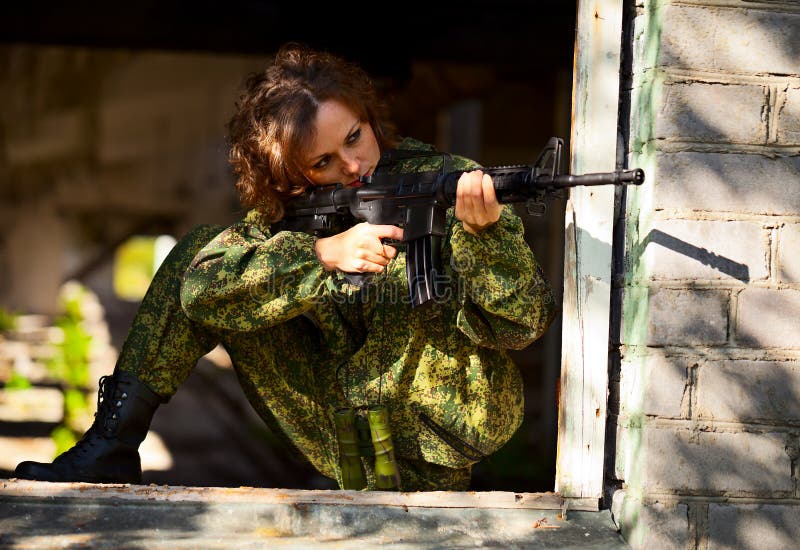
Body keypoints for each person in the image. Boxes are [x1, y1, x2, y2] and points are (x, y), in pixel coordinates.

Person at [14, 43, 556, 491]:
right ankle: (111, 446)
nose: (351, 165)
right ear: (293, 177)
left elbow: (523, 324)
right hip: (337, 422)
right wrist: (320, 257)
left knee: (403, 284)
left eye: (354, 137)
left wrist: (485, 240)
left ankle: (396, 481)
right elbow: (201, 290)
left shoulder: (449, 179)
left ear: (369, 118)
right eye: (322, 162)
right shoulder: (294, 213)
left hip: (442, 427)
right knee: (201, 254)